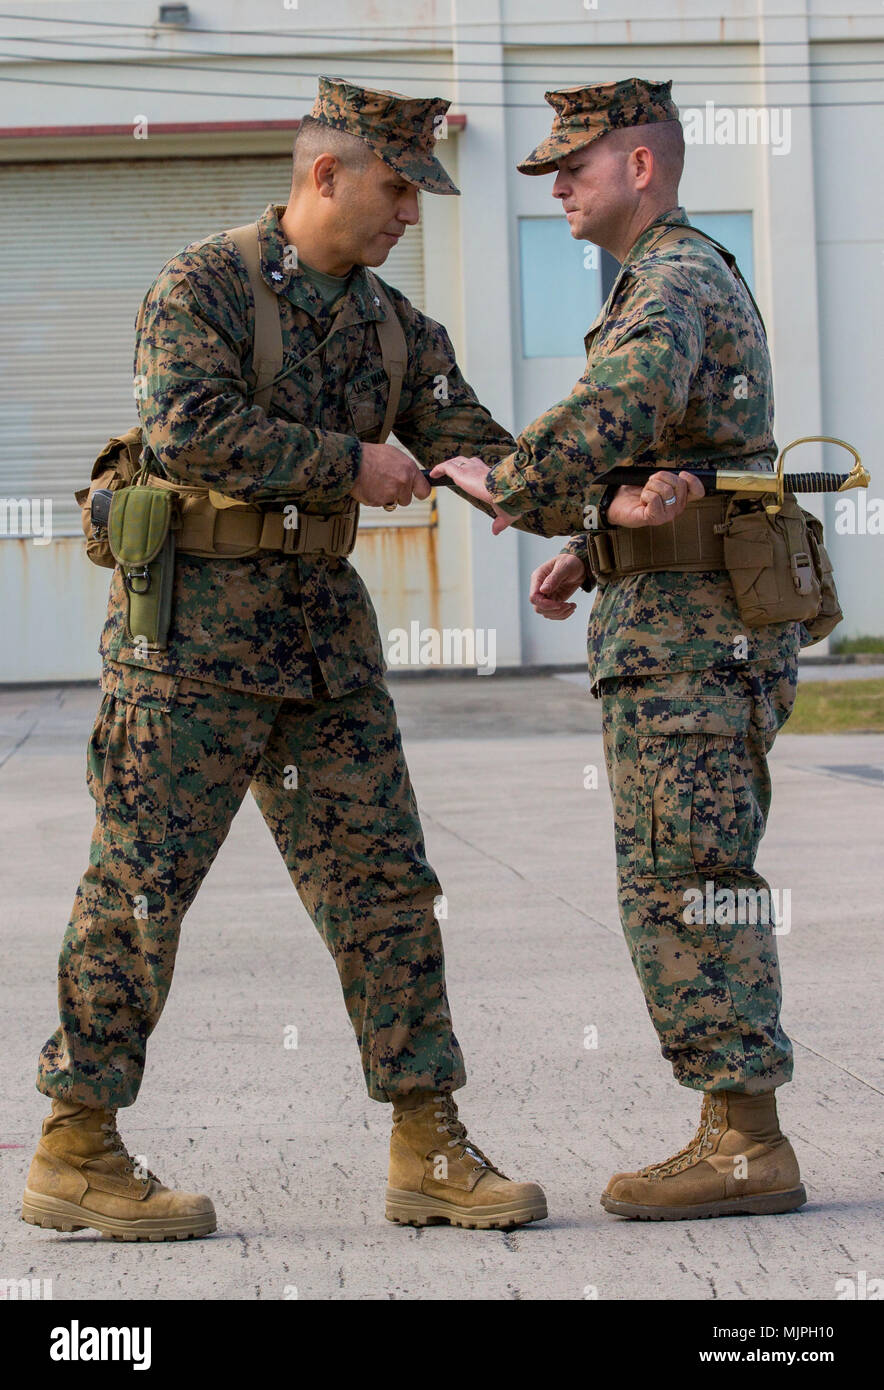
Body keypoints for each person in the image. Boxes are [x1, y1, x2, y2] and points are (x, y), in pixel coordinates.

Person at [23, 77, 552, 1241]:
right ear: (325, 174)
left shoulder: (399, 330)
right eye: (396, 188)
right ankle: (76, 1146)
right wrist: (348, 462)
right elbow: (187, 428)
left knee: (387, 891)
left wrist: (595, 497)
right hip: (188, 651)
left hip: (324, 653)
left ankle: (428, 1145)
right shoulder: (201, 286)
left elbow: (480, 450)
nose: (409, 213)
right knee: (140, 889)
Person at [432, 78, 806, 1221]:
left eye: (573, 166)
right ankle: (735, 1128)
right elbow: (680, 466)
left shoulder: (671, 281)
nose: (556, 187)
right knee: (683, 872)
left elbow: (621, 408)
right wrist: (592, 551)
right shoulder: (667, 276)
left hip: (695, 647)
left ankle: (744, 1140)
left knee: (687, 878)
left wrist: (509, 484)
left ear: (639, 167)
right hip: (685, 628)